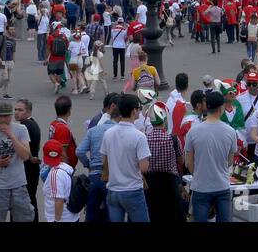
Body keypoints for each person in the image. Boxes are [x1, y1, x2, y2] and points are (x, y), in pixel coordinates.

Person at [185, 90, 238, 222]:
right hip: (222, 185)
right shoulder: (230, 132)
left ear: (206, 107)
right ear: (221, 108)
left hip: (201, 186)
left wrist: (197, 174)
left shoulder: (193, 132)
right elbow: (230, 161)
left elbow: (188, 163)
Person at [101, 93, 151, 222]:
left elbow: (104, 161)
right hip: (132, 189)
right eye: (139, 108)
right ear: (134, 111)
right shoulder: (139, 136)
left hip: (113, 190)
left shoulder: (108, 133)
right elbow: (144, 168)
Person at [76, 93, 119, 223]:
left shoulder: (94, 130)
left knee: (92, 213)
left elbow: (79, 151)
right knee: (111, 214)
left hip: (94, 175)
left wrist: (88, 164)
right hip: (111, 176)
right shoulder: (118, 130)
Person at [143, 105, 185, 223]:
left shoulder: (145, 139)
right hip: (171, 182)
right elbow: (181, 160)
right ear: (164, 120)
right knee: (173, 214)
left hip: (150, 183)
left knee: (153, 213)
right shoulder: (173, 139)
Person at [13, 99, 41, 222]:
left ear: (28, 111)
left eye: (20, 110)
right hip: (31, 168)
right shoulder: (33, 124)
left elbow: (22, 150)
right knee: (30, 200)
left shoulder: (24, 127)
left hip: (26, 169)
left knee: (22, 203)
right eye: (15, 109)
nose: (16, 112)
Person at [40, 139, 78, 223]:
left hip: (62, 218)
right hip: (71, 216)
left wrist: (56, 220)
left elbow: (59, 199)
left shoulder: (55, 174)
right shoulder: (66, 167)